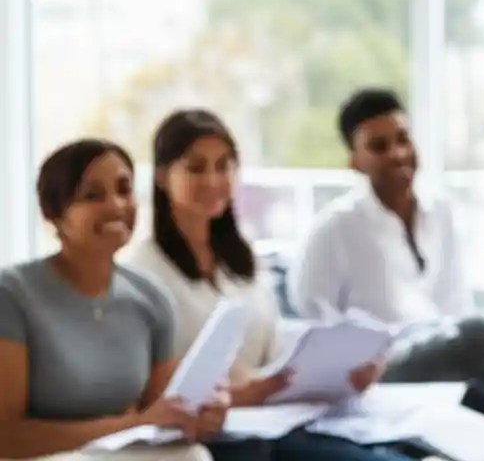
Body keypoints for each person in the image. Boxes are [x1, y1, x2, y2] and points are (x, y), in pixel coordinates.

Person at [290, 89, 484, 461]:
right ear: (355, 161)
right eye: (379, 146)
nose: (397, 153)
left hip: (444, 363)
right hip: (378, 375)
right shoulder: (333, 229)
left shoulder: (440, 213)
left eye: (403, 139)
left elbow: (455, 306)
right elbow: (315, 325)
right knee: (476, 335)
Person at [123, 109, 420, 461]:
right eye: (196, 167)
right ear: (161, 176)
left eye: (224, 165)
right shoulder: (143, 274)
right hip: (221, 439)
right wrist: (252, 392)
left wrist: (339, 375)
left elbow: (275, 349)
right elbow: (157, 398)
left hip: (275, 421)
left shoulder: (241, 259)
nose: (214, 179)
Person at [0, 139, 225, 461]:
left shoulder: (151, 298)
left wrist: (198, 418)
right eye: (92, 195)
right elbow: (5, 438)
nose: (117, 205)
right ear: (54, 214)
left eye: (124, 190)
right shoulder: (11, 294)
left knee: (193, 454)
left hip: (114, 456)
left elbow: (160, 419)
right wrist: (131, 425)